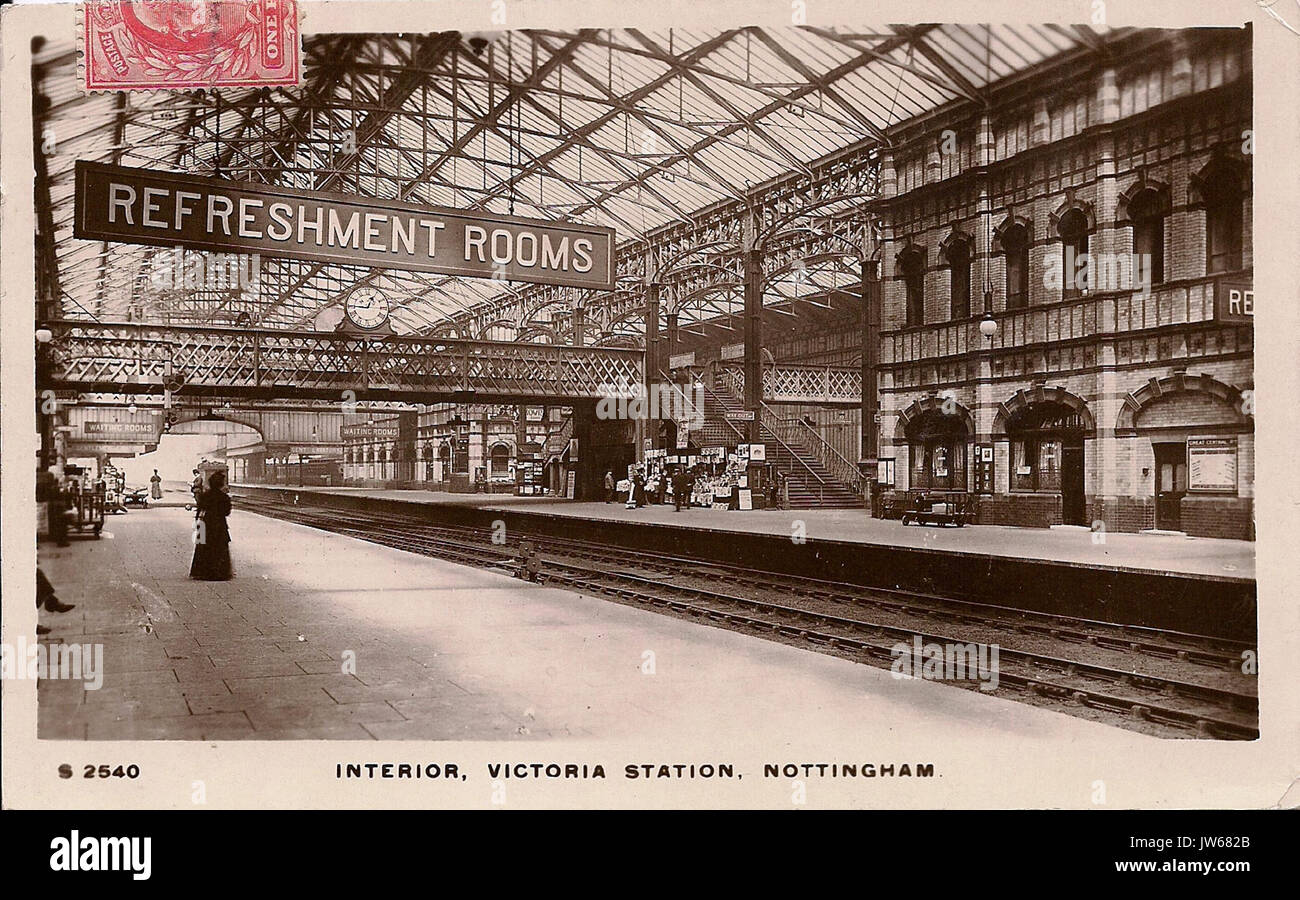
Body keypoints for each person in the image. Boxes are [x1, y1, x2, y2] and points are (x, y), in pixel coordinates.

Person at [190, 470, 233, 581]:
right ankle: (219, 573)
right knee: (219, 548)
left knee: (204, 547)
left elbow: (200, 509)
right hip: (219, 525)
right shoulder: (224, 497)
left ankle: (203, 572)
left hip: (206, 524)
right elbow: (227, 512)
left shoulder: (205, 495)